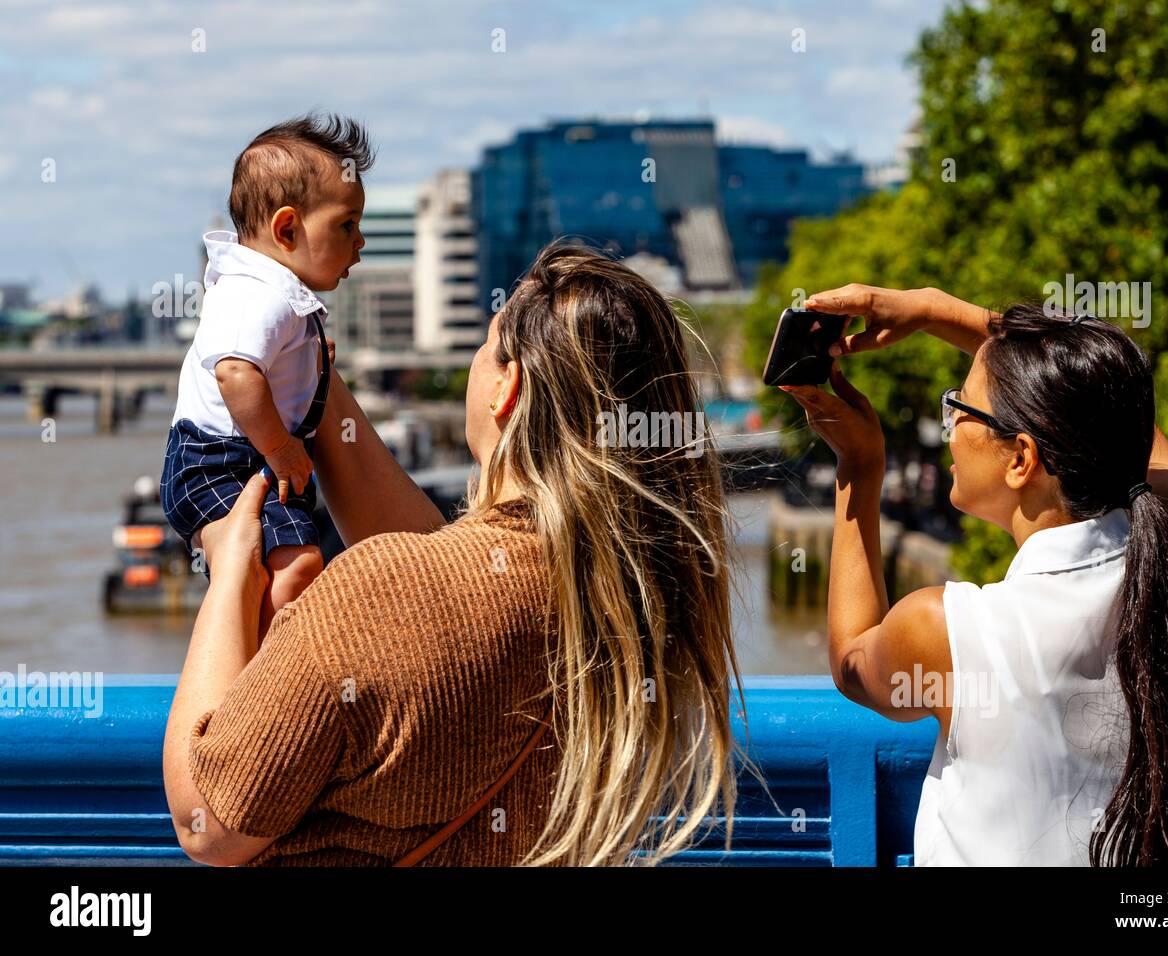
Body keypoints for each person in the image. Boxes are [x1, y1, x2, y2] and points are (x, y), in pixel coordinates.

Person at [162, 240, 746, 866]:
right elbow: (439, 564)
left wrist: (229, 569)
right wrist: (310, 383)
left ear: (507, 387)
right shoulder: (628, 599)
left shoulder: (376, 593)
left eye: (486, 343)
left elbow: (211, 822)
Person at [781, 284, 1168, 866]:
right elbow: (1117, 419)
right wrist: (944, 313)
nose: (950, 423)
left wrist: (859, 466)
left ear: (1021, 459)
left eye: (960, 407)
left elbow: (853, 659)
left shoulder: (946, 631)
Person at [160, 113, 368, 638]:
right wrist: (278, 448)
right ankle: (267, 679)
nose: (360, 242)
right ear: (287, 228)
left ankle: (257, 662)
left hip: (237, 456)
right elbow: (235, 372)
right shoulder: (263, 294)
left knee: (277, 569)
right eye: (347, 225)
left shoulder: (271, 292)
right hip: (223, 460)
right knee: (295, 569)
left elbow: (261, 364)